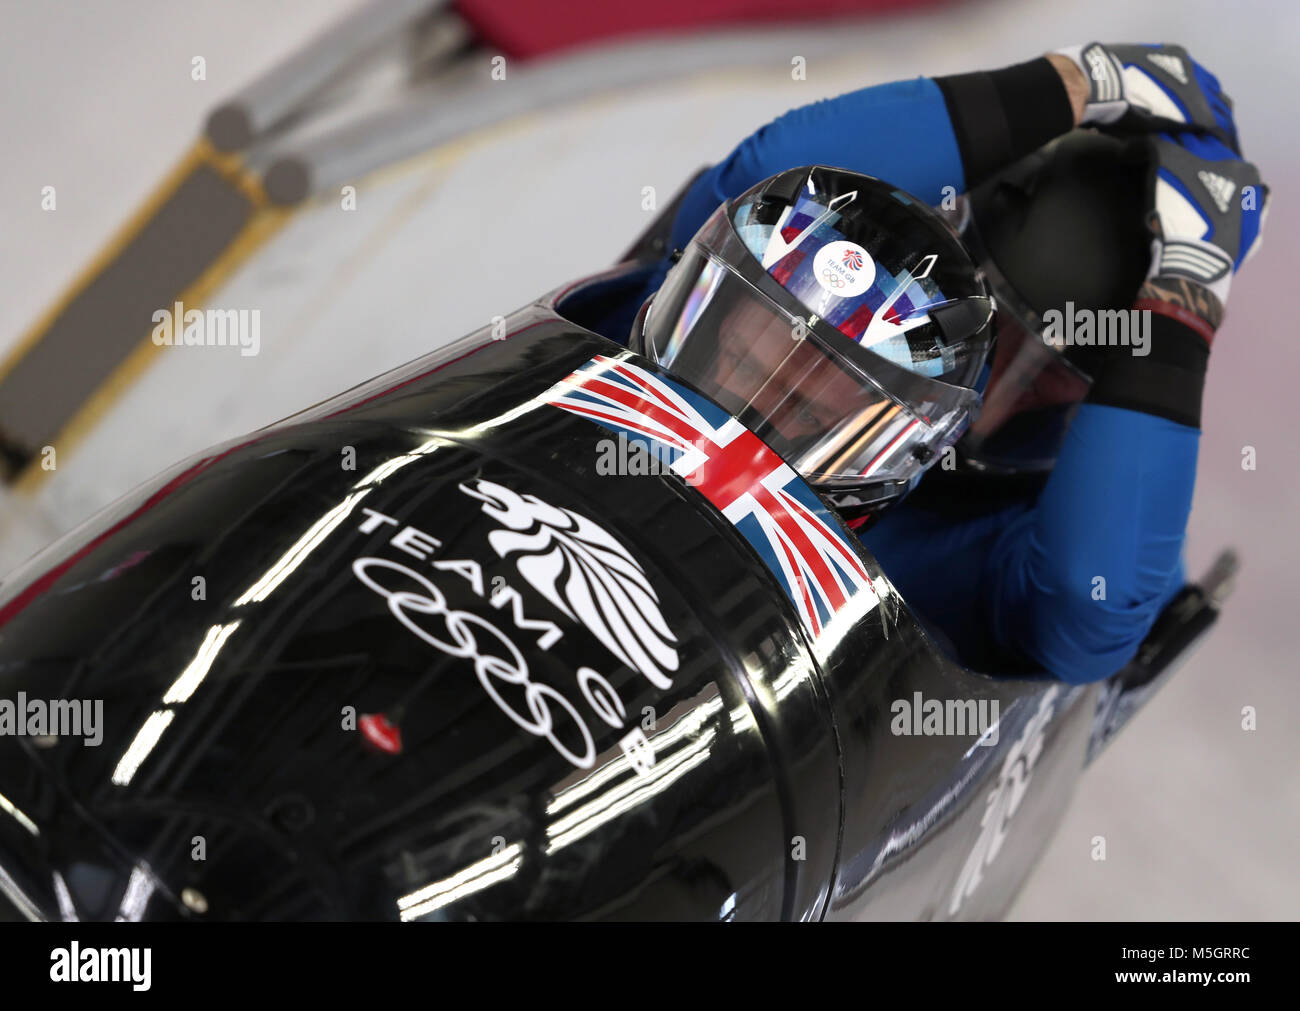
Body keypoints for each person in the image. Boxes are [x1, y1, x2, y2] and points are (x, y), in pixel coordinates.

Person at [593, 42, 1269, 683]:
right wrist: (1074, 82)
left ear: (1110, 400)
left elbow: (1092, 602)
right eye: (986, 340)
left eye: (1043, 377)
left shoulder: (1044, 537)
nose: (991, 392)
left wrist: (1184, 298)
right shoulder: (785, 328)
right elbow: (754, 194)